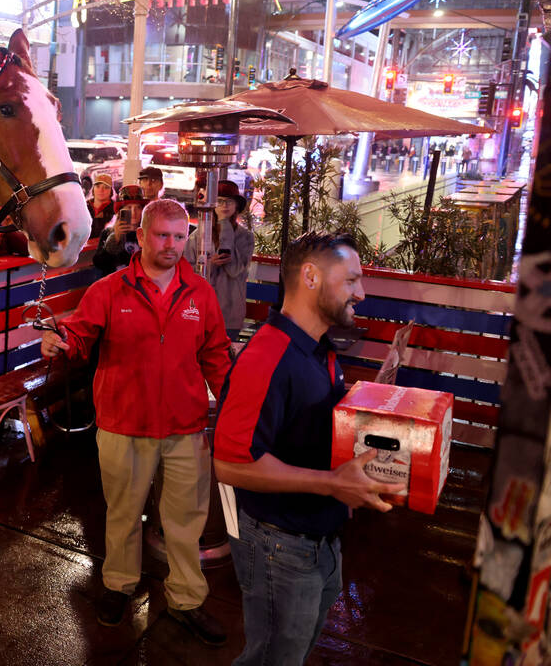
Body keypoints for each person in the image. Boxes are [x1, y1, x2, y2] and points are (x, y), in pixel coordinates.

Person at [40, 199, 231, 640]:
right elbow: (80, 333)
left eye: (179, 237)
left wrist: (238, 409)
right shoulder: (109, 289)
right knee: (122, 514)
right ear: (140, 236)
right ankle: (119, 586)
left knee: (185, 521)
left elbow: (216, 356)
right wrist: (61, 341)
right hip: (123, 424)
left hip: (185, 427)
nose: (171, 245)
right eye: (162, 235)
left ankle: (186, 600)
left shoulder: (200, 292)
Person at [214, 231, 399, 666]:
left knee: (290, 654)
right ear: (311, 277)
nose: (362, 292)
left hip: (321, 537)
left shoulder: (320, 350)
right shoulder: (268, 355)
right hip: (279, 545)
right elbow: (228, 463)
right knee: (272, 658)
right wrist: (332, 483)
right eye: (352, 279)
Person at [183, 180, 255, 341]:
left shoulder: (246, 237)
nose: (225, 205)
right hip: (201, 310)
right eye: (220, 201)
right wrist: (210, 265)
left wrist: (224, 224)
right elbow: (186, 270)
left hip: (230, 312)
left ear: (236, 205)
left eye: (230, 201)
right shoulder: (199, 234)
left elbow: (235, 269)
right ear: (213, 204)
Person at [88, 174, 116, 240]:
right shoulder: (84, 207)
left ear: (111, 191)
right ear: (93, 189)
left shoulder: (116, 209)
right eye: (98, 186)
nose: (101, 190)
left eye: (106, 187)